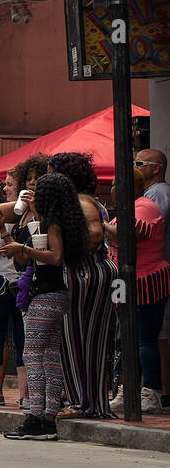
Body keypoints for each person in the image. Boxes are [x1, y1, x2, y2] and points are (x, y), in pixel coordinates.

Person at [0, 172, 88, 440]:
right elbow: (32, 260)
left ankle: (36, 416)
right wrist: (15, 241)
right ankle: (49, 418)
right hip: (57, 294)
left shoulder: (52, 222)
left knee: (32, 354)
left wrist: (23, 250)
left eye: (39, 191)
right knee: (50, 356)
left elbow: (56, 257)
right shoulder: (53, 221)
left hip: (47, 294)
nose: (34, 195)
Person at [0, 156, 47, 410]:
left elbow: (1, 241)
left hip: (26, 280)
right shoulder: (14, 208)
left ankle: (26, 395)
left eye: (10, 184)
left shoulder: (37, 210)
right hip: (2, 276)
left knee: (23, 336)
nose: (6, 188)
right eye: (28, 180)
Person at [48, 151, 117, 419]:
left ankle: (81, 402)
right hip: (89, 272)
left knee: (77, 337)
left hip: (84, 272)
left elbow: (96, 235)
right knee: (85, 339)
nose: (47, 178)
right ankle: (90, 402)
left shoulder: (80, 203)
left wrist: (61, 246)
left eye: (52, 173)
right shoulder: (79, 202)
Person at [104, 167, 170, 414]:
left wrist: (101, 224)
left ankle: (150, 391)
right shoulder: (124, 209)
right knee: (122, 337)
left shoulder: (144, 206)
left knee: (144, 339)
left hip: (146, 282)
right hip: (121, 283)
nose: (112, 190)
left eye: (116, 184)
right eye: (111, 185)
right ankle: (126, 387)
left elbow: (130, 235)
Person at [135, 149, 170, 409]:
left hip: (148, 277)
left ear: (155, 168)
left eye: (139, 164)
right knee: (142, 336)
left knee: (146, 335)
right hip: (139, 278)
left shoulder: (155, 196)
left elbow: (141, 231)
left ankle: (153, 390)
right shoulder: (146, 198)